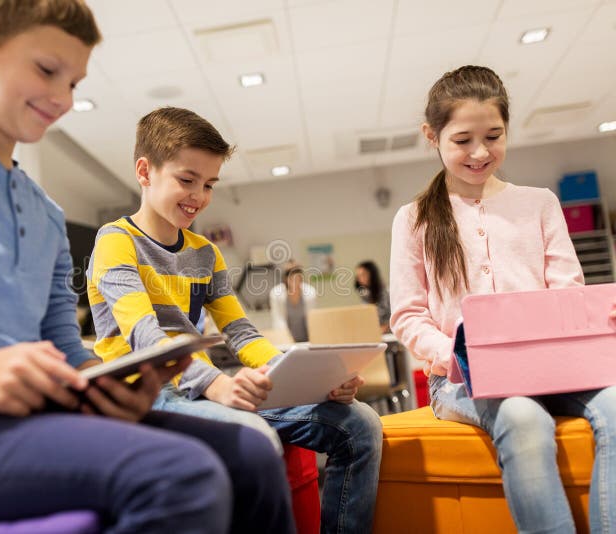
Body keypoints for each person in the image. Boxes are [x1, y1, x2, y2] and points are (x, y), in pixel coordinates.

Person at [0, 3, 295, 532]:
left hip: (27, 425)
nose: (64, 100)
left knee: (250, 457)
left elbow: (67, 354)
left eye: (74, 82)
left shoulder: (44, 217)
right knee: (180, 474)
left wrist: (113, 387)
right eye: (47, 71)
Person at [88, 106, 383, 534]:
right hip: (145, 391)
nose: (199, 196)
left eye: (209, 184)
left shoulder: (205, 253)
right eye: (187, 180)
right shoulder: (115, 242)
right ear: (144, 171)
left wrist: (306, 376)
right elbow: (146, 338)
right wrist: (215, 384)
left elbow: (241, 333)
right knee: (254, 437)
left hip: (199, 386)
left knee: (361, 425)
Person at [390, 65, 616, 533]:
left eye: (493, 136)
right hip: (462, 381)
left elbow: (568, 291)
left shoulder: (539, 202)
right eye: (462, 140)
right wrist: (453, 355)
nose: (479, 152)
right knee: (521, 416)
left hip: (553, 368)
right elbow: (409, 316)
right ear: (431, 136)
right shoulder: (413, 218)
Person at [269, 262, 316, 342]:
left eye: (298, 277)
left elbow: (312, 319)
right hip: (286, 339)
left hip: (307, 340)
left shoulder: (310, 293)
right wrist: (286, 341)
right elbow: (278, 319)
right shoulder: (276, 294)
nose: (295, 281)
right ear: (286, 279)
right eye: (292, 278)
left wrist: (313, 340)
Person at [354, 260, 391, 333]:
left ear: (372, 274)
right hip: (374, 332)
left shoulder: (386, 293)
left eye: (363, 274)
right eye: (358, 276)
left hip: (389, 333)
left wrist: (385, 326)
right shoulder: (365, 294)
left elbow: (392, 315)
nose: (360, 279)